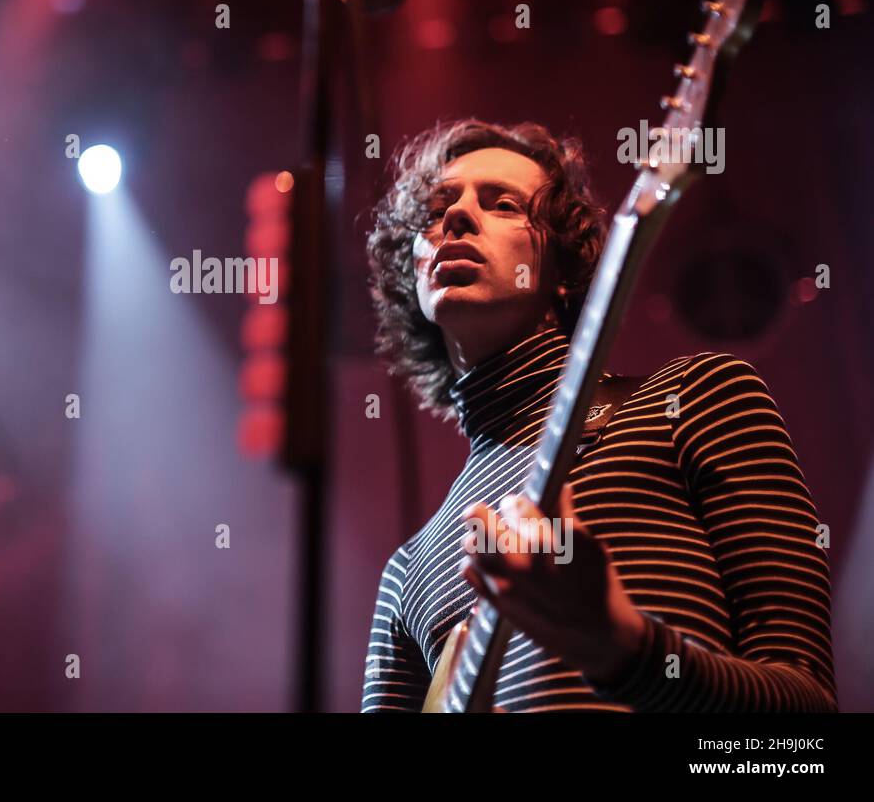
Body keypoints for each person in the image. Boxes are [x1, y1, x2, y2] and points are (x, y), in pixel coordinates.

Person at [359, 119, 837, 712]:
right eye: (435, 209)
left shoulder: (697, 398)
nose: (454, 217)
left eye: (502, 203)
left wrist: (619, 646)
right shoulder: (407, 573)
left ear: (562, 272)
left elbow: (805, 723)